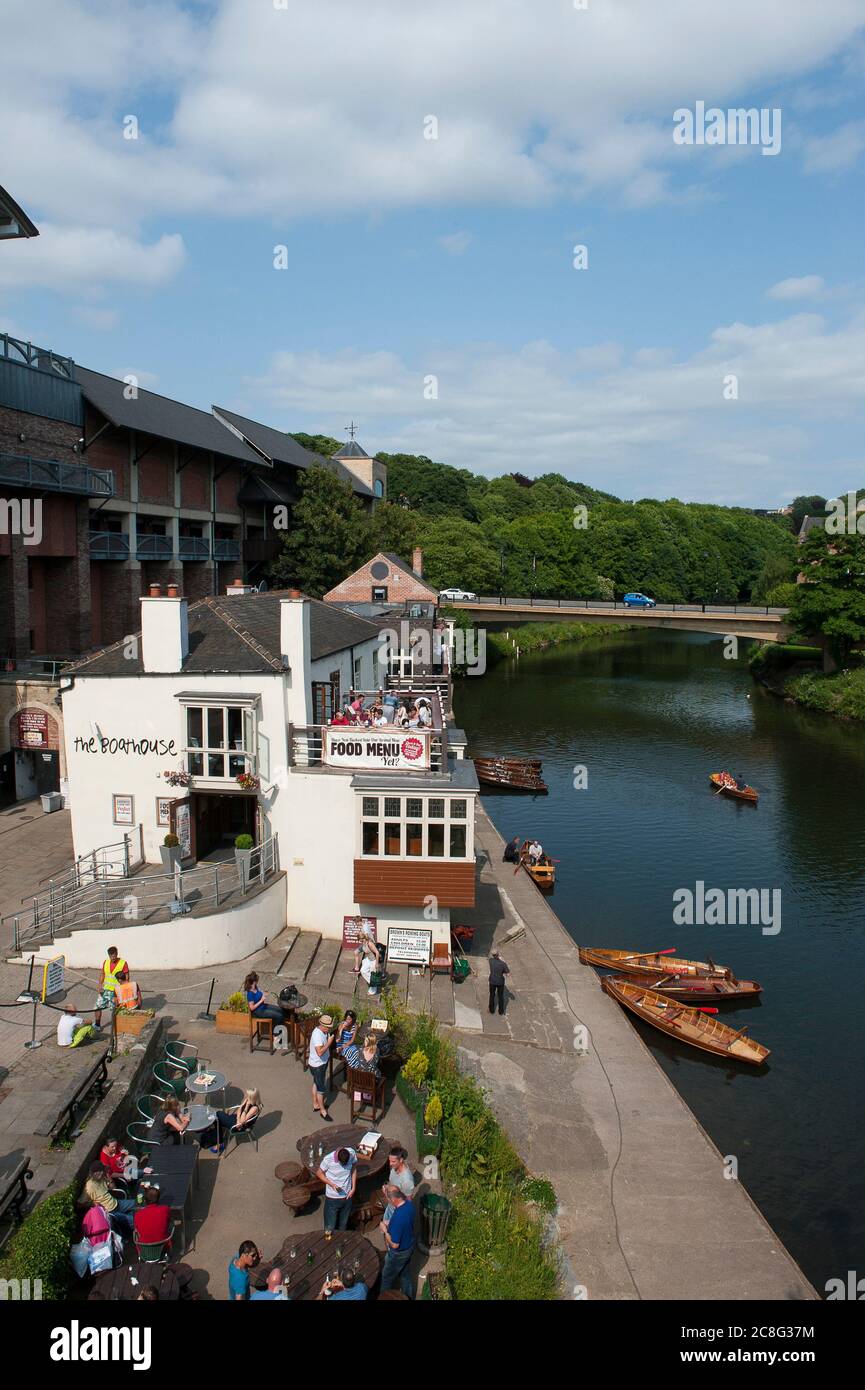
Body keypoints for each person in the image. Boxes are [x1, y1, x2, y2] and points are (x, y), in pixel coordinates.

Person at [199, 1088, 262, 1154]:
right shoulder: (247, 1100)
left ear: (253, 1097)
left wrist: (246, 1107)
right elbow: (239, 1110)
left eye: (248, 1096)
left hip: (240, 1126)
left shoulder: (254, 1108)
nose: (246, 1097)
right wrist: (238, 1117)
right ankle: (217, 1139)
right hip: (237, 1120)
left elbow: (242, 1121)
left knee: (218, 1115)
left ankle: (218, 1140)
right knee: (218, 1118)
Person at [83, 1162, 136, 1237]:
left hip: (117, 1203)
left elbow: (113, 1188)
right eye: (101, 1171)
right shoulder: (89, 1187)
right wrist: (93, 1203)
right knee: (134, 1220)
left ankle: (128, 1226)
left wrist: (109, 1179)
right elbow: (80, 1204)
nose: (103, 1172)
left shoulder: (102, 1178)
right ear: (95, 1173)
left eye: (103, 1171)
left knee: (137, 1203)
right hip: (110, 1211)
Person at [380, 1186, 415, 1298]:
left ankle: (384, 1297)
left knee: (386, 1277)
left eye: (388, 1200)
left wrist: (385, 1231)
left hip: (399, 1253)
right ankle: (408, 1296)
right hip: (409, 1245)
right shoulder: (408, 1204)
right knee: (405, 1274)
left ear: (393, 1200)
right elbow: (404, 1222)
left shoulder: (398, 1218)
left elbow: (395, 1244)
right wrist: (389, 1222)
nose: (388, 1202)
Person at [316, 1145, 357, 1232]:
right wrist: (331, 1184)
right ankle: (328, 1243)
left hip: (347, 1197)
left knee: (343, 1225)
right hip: (332, 1198)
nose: (345, 1166)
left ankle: (341, 1242)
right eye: (342, 1164)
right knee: (330, 1226)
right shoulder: (328, 1159)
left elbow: (353, 1168)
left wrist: (353, 1188)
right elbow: (319, 1173)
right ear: (337, 1159)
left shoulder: (352, 1153)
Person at [94, 946, 129, 1029]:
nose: (113, 958)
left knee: (116, 1010)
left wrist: (123, 990)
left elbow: (126, 977)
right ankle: (97, 1025)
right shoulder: (106, 962)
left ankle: (116, 1027)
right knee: (97, 1007)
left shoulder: (123, 963)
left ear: (117, 954)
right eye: (111, 956)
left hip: (116, 991)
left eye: (114, 955)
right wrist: (99, 986)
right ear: (109, 955)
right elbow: (102, 974)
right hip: (105, 990)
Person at [308, 1013, 334, 1120]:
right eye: (328, 1027)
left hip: (320, 1063)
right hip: (318, 1065)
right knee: (321, 1088)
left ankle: (315, 1104)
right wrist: (329, 1043)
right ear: (322, 1025)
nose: (329, 1029)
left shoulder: (323, 1031)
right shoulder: (317, 1035)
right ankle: (323, 1111)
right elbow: (319, 1052)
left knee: (316, 1083)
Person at [133, 1184, 173, 1249]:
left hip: (144, 1249)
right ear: (158, 1200)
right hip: (163, 1245)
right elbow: (169, 1221)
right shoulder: (165, 1209)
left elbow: (137, 1229)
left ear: (145, 1201)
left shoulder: (138, 1214)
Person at [488, 950, 510, 1016]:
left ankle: (491, 1010)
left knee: (492, 995)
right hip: (500, 982)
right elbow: (508, 974)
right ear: (498, 954)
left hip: (492, 981)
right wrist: (502, 961)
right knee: (500, 996)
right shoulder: (503, 964)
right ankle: (501, 1011)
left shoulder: (490, 961)